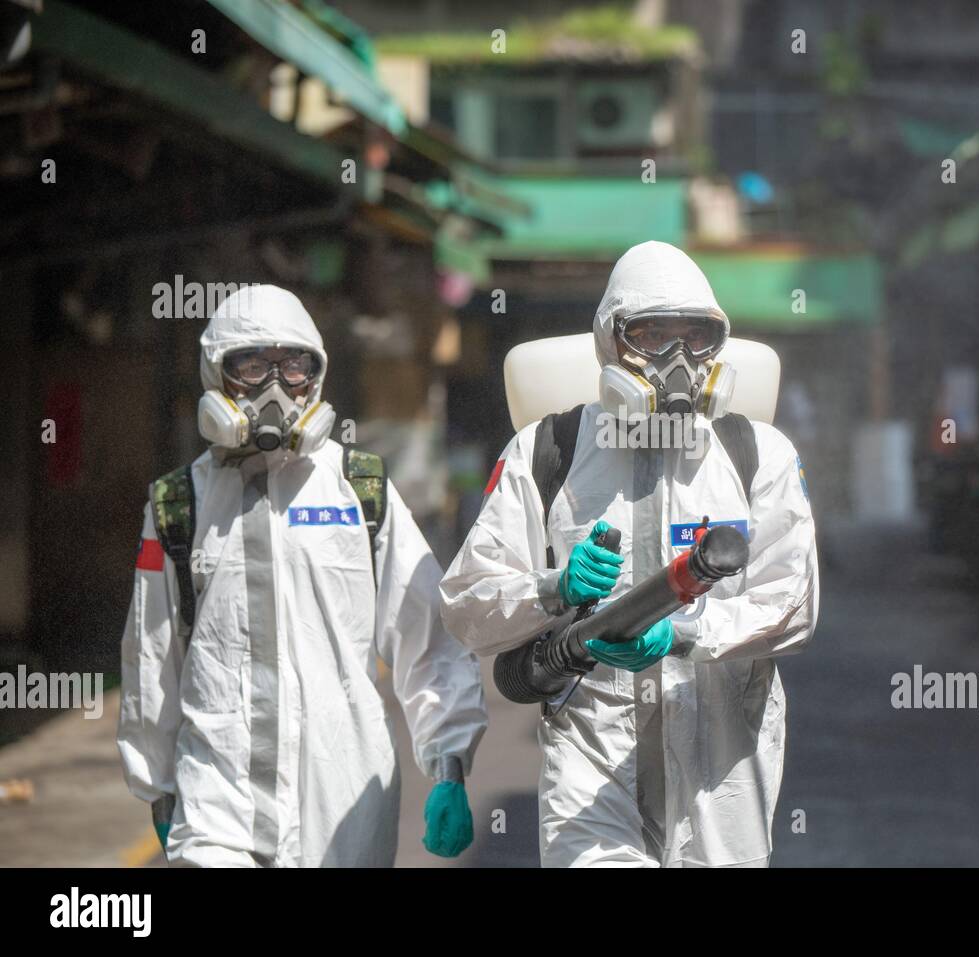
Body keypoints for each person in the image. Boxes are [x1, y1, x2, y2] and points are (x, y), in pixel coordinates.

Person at [440, 241, 819, 867]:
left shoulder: (760, 457)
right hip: (590, 769)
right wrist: (552, 589)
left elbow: (793, 608)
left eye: (696, 339)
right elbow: (466, 606)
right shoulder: (546, 453)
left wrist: (683, 632)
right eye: (652, 335)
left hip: (721, 776)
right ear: (610, 342)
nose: (678, 360)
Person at [117, 284, 487, 867]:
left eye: (293, 366)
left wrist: (449, 761)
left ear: (316, 376)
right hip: (218, 801)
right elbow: (150, 655)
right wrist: (158, 784)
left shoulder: (360, 491)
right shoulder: (177, 504)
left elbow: (426, 632)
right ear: (217, 375)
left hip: (343, 801)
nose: (274, 386)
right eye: (251, 365)